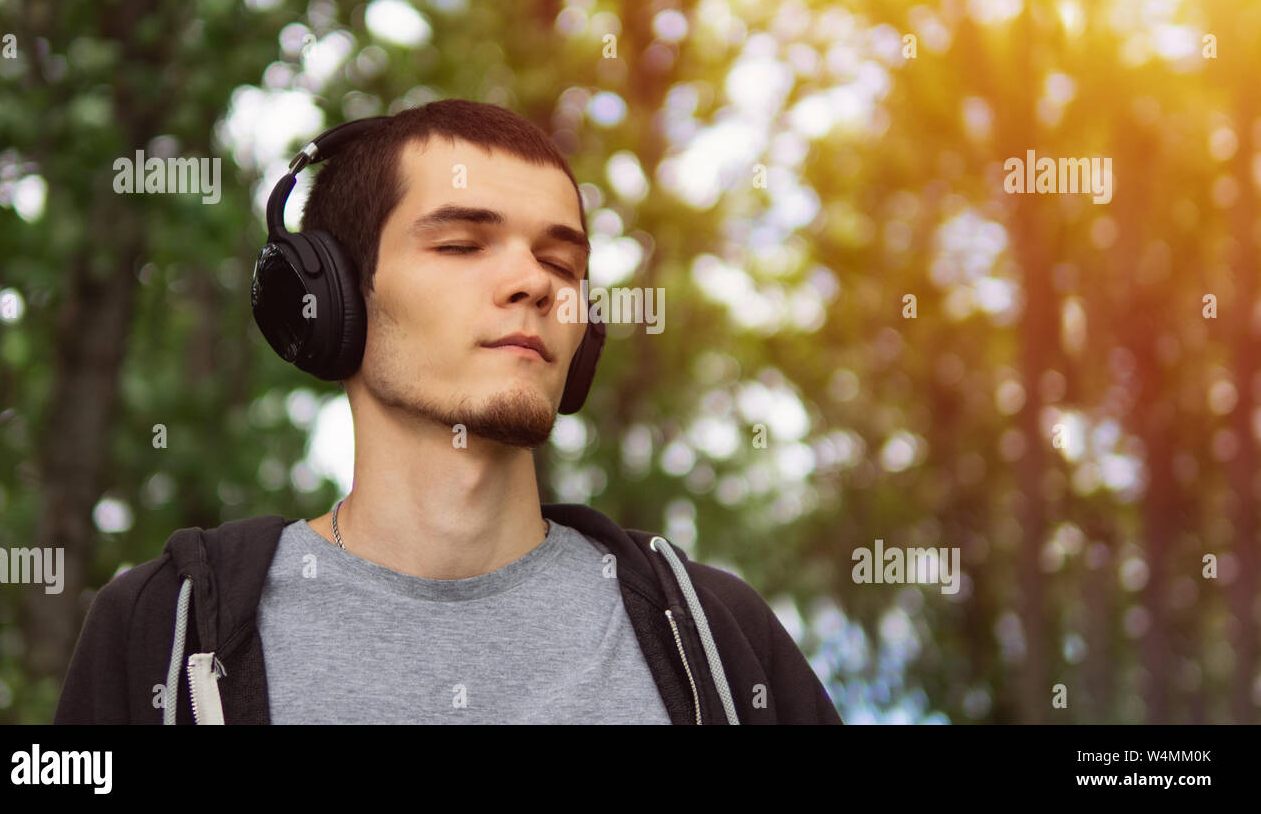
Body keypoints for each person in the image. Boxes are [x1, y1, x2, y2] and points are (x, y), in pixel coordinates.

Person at [53, 99, 843, 724]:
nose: (533, 283)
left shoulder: (714, 634)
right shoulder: (167, 628)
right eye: (462, 245)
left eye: (561, 262)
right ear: (329, 305)